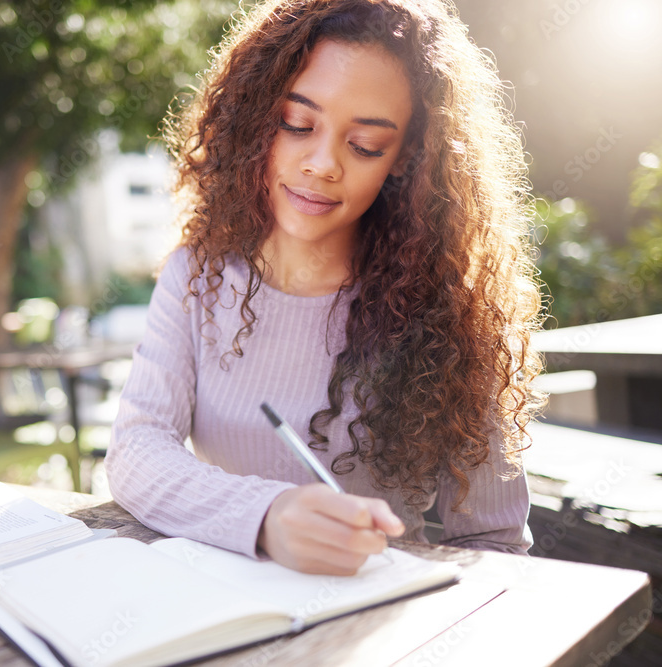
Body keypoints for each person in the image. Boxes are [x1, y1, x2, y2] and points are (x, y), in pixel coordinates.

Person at [105, 0, 545, 575]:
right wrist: (266, 516)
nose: (322, 164)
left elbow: (495, 543)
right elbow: (136, 450)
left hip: (378, 611)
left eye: (365, 145)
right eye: (297, 123)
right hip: (222, 603)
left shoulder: (452, 315)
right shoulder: (198, 275)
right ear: (257, 118)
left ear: (405, 159)